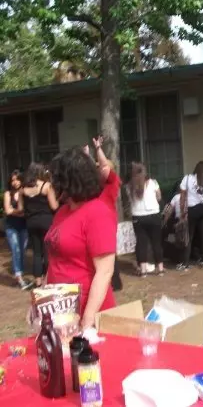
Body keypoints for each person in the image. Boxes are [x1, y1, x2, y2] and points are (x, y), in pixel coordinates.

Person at [44, 146, 117, 330]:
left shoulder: (97, 213)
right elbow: (54, 261)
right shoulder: (62, 212)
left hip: (87, 313)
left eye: (57, 179)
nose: (53, 184)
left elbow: (105, 271)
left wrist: (87, 320)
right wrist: (41, 302)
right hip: (60, 312)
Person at [85, 137, 123, 291]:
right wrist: (86, 157)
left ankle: (114, 282)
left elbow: (104, 166)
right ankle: (104, 280)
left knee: (108, 252)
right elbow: (89, 172)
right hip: (93, 221)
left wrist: (98, 149)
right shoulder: (95, 185)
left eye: (99, 167)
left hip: (107, 222)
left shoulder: (113, 182)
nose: (98, 169)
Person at [21, 163, 58, 287]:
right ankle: (48, 279)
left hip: (31, 222)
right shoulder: (46, 186)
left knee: (36, 252)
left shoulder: (23, 189)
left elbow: (21, 208)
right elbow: (54, 206)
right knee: (47, 251)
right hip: (46, 221)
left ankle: (38, 280)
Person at [127, 162, 164, 277]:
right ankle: (160, 269)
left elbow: (129, 201)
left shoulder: (129, 186)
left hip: (138, 216)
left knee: (141, 242)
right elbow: (159, 197)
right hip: (153, 214)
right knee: (156, 242)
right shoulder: (153, 183)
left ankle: (143, 270)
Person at [179, 161, 203, 271]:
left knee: (189, 236)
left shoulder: (187, 178)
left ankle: (185, 263)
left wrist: (182, 211)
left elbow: (182, 196)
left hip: (191, 210)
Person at [3, 170, 31, 289]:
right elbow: (7, 211)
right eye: (12, 180)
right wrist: (19, 212)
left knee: (23, 251)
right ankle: (19, 277)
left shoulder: (25, 192)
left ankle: (20, 273)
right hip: (11, 227)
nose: (15, 182)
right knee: (16, 250)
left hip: (23, 226)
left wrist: (15, 211)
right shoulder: (7, 194)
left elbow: (26, 211)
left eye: (17, 179)